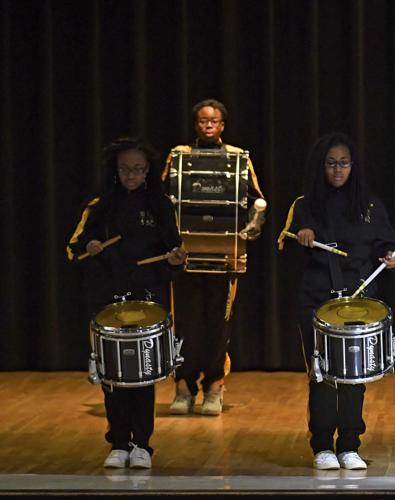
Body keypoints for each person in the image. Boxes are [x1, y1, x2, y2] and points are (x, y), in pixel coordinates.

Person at [278, 132, 395, 470]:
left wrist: (389, 257)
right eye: (331, 164)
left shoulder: (371, 205)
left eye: (343, 163)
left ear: (353, 166)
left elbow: (385, 245)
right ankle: (322, 445)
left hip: (358, 300)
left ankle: (349, 444)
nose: (337, 170)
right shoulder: (304, 205)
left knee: (352, 376)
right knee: (321, 375)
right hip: (317, 300)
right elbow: (285, 248)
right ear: (321, 167)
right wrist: (302, 238)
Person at [67, 137, 187, 469]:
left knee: (142, 374)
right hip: (108, 295)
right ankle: (118, 442)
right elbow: (73, 247)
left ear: (148, 171)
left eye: (138, 169)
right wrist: (90, 246)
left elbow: (174, 249)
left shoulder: (160, 205)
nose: (131, 175)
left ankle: (142, 445)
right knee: (113, 376)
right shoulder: (100, 205)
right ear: (115, 171)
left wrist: (176, 258)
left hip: (148, 295)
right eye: (125, 169)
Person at [162, 98, 267, 416]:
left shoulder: (238, 158)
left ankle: (214, 388)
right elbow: (164, 199)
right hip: (186, 258)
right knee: (185, 325)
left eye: (215, 120)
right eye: (203, 120)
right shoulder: (179, 156)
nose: (208, 125)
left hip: (224, 258)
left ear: (223, 125)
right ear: (196, 124)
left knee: (217, 327)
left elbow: (258, 201)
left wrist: (250, 229)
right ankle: (183, 387)